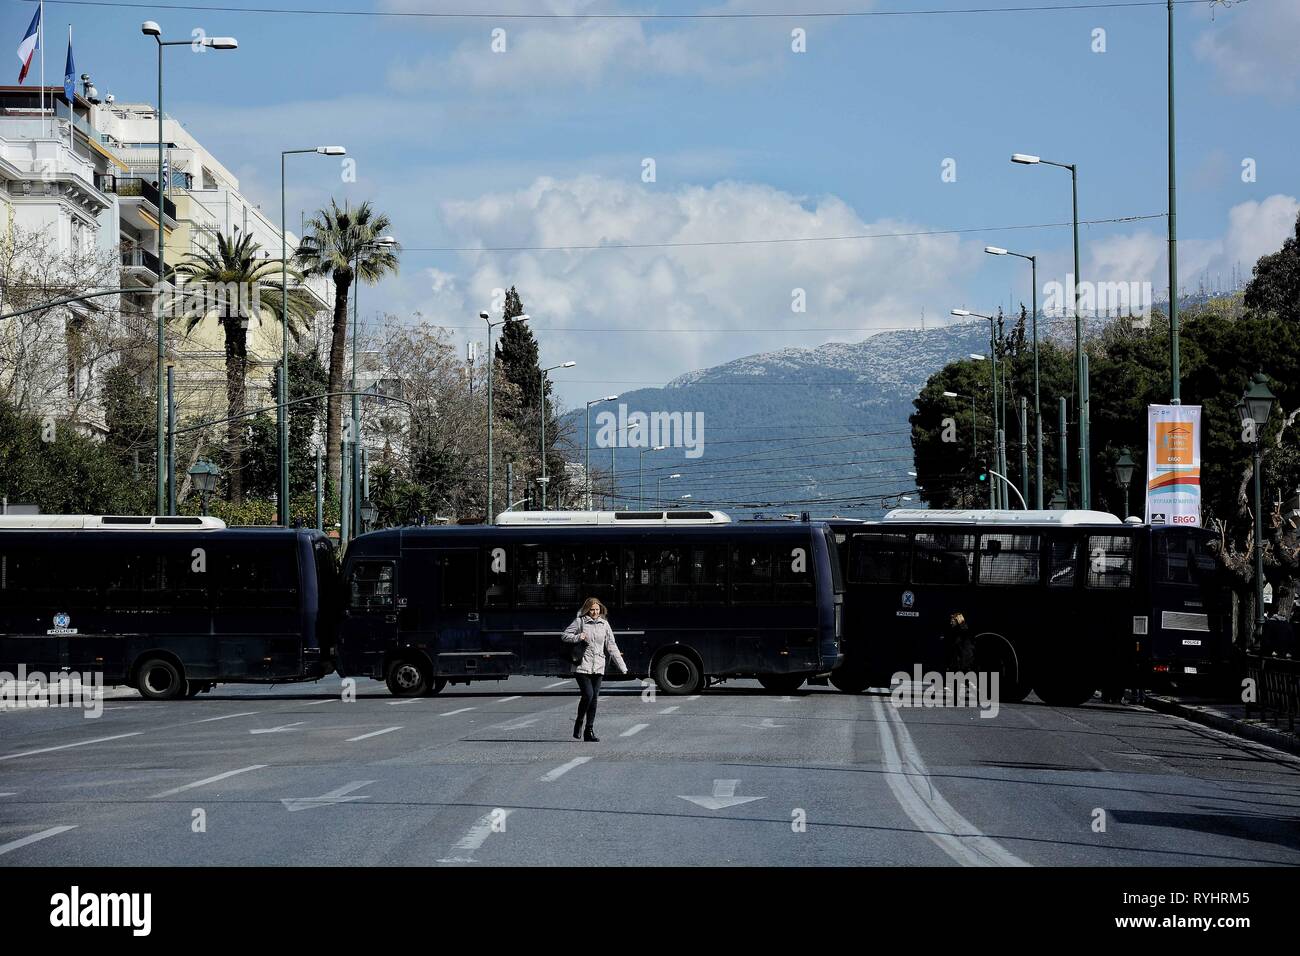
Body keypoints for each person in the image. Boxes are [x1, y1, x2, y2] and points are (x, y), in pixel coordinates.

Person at [561, 597, 627, 742]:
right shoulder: (580, 621)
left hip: (598, 666)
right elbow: (564, 635)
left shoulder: (604, 624)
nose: (595, 612)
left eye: (597, 609)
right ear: (587, 609)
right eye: (592, 609)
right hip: (582, 666)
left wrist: (622, 666)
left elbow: (611, 645)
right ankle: (579, 721)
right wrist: (578, 637)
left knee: (594, 699)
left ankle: (589, 730)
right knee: (588, 695)